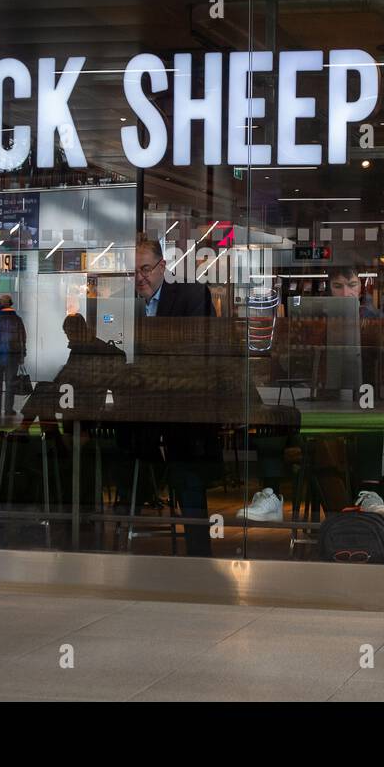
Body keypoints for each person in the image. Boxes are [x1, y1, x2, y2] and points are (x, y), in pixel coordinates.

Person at [133, 233, 217, 556]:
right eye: (134, 271)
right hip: (141, 420)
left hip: (183, 417)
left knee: (191, 494)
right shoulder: (127, 306)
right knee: (130, 484)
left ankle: (199, 563)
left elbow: (194, 355)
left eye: (145, 269)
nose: (140, 278)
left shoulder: (190, 297)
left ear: (162, 266)